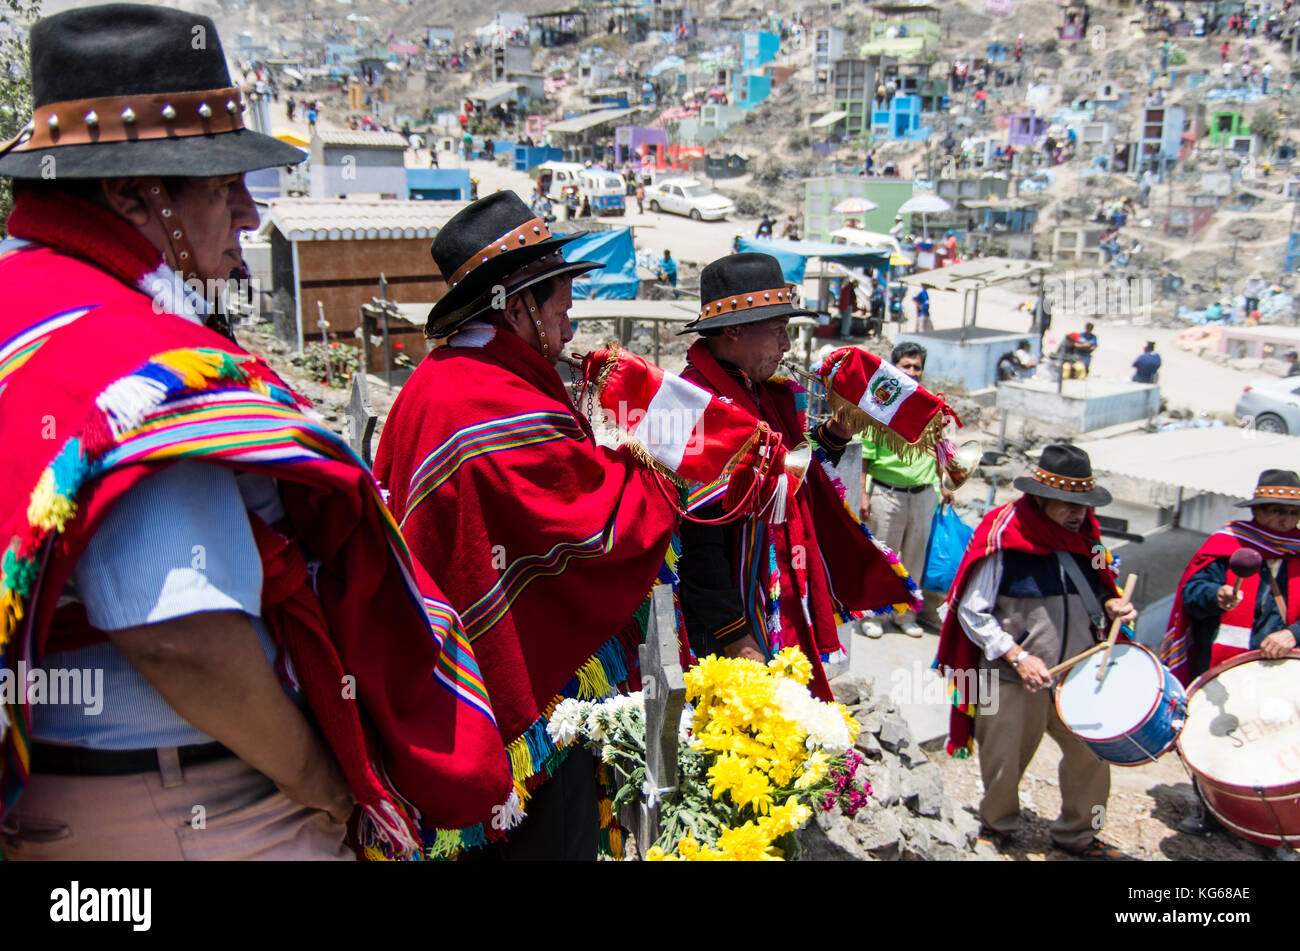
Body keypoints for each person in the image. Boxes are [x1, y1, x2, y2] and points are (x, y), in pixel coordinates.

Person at [0, 3, 516, 861]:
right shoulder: (136, 366)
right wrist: (321, 784)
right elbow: (181, 631)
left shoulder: (31, 316)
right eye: (220, 183)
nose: (247, 212)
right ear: (134, 194)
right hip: (192, 807)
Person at [373, 193, 763, 860]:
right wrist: (673, 444)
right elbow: (595, 525)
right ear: (516, 301)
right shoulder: (483, 398)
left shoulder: (446, 380)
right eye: (559, 294)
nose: (570, 311)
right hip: (529, 722)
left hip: (474, 698)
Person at [675, 253, 921, 697]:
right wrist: (736, 637)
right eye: (777, 332)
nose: (786, 347)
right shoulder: (698, 405)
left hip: (768, 603)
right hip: (728, 621)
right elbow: (699, 541)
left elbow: (789, 476)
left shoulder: (758, 394)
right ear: (733, 331)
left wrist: (838, 430)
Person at [936, 445, 1136, 858]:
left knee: (1094, 759)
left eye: (1083, 503)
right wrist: (1017, 656)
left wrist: (1113, 605)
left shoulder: (1090, 538)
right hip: (1013, 675)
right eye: (1068, 503)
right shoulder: (1003, 533)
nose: (1078, 512)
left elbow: (1104, 580)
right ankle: (998, 824)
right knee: (1004, 759)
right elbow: (972, 610)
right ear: (1042, 496)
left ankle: (1083, 832)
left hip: (1077, 674)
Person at [1162, 470, 1300, 856]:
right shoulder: (1228, 545)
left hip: (1281, 668)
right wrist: (1216, 596)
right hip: (1224, 662)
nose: (1284, 520)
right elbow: (1193, 594)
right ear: (1257, 511)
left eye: (1291, 512)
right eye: (1275, 511)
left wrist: (1294, 635)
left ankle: (1274, 829)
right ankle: (1210, 809)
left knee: (1274, 738)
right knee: (1218, 734)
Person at [858, 343, 954, 638]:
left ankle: (906, 616)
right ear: (894, 367)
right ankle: (875, 615)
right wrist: (863, 492)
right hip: (888, 493)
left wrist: (946, 482)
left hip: (925, 493)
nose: (911, 372)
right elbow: (865, 453)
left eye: (916, 367)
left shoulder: (932, 405)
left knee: (914, 560)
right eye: (905, 366)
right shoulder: (880, 404)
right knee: (883, 558)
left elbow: (940, 446)